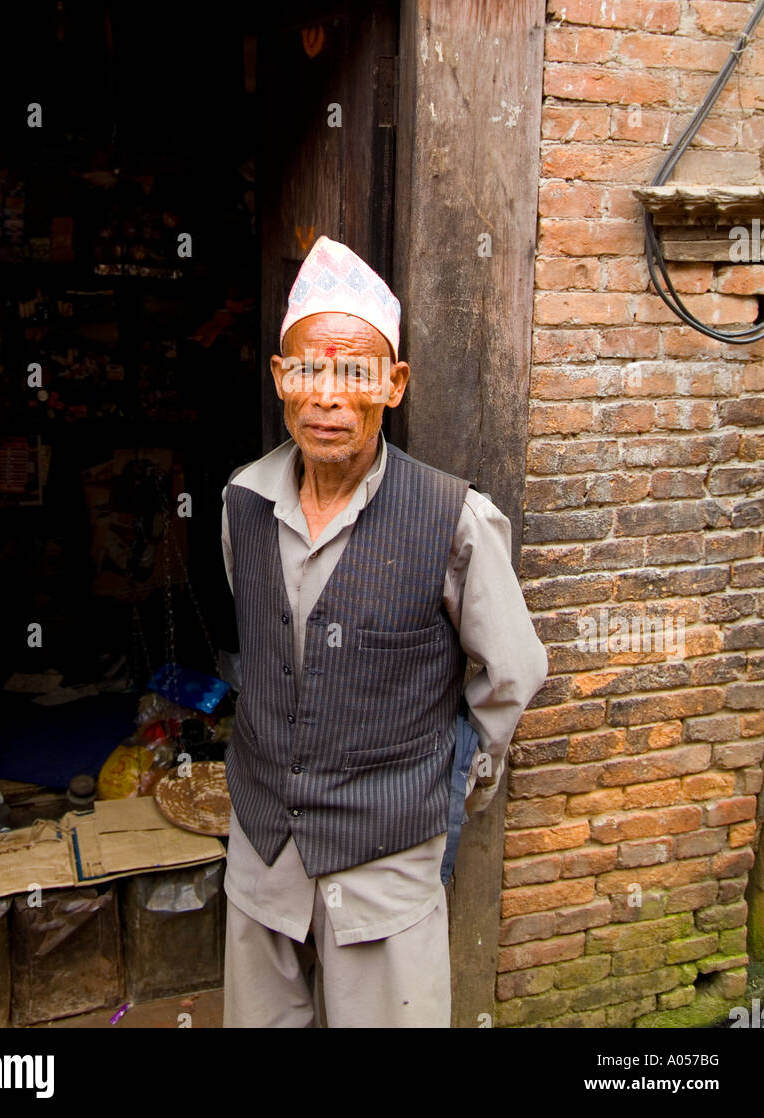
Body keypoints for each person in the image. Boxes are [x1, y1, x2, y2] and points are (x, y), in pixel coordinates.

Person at [219, 236, 548, 1028]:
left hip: (384, 867)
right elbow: (270, 646)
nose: (327, 397)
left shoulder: (455, 520)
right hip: (263, 855)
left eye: (355, 372)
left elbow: (510, 674)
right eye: (308, 369)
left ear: (393, 386)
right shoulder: (242, 503)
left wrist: (443, 784)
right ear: (279, 379)